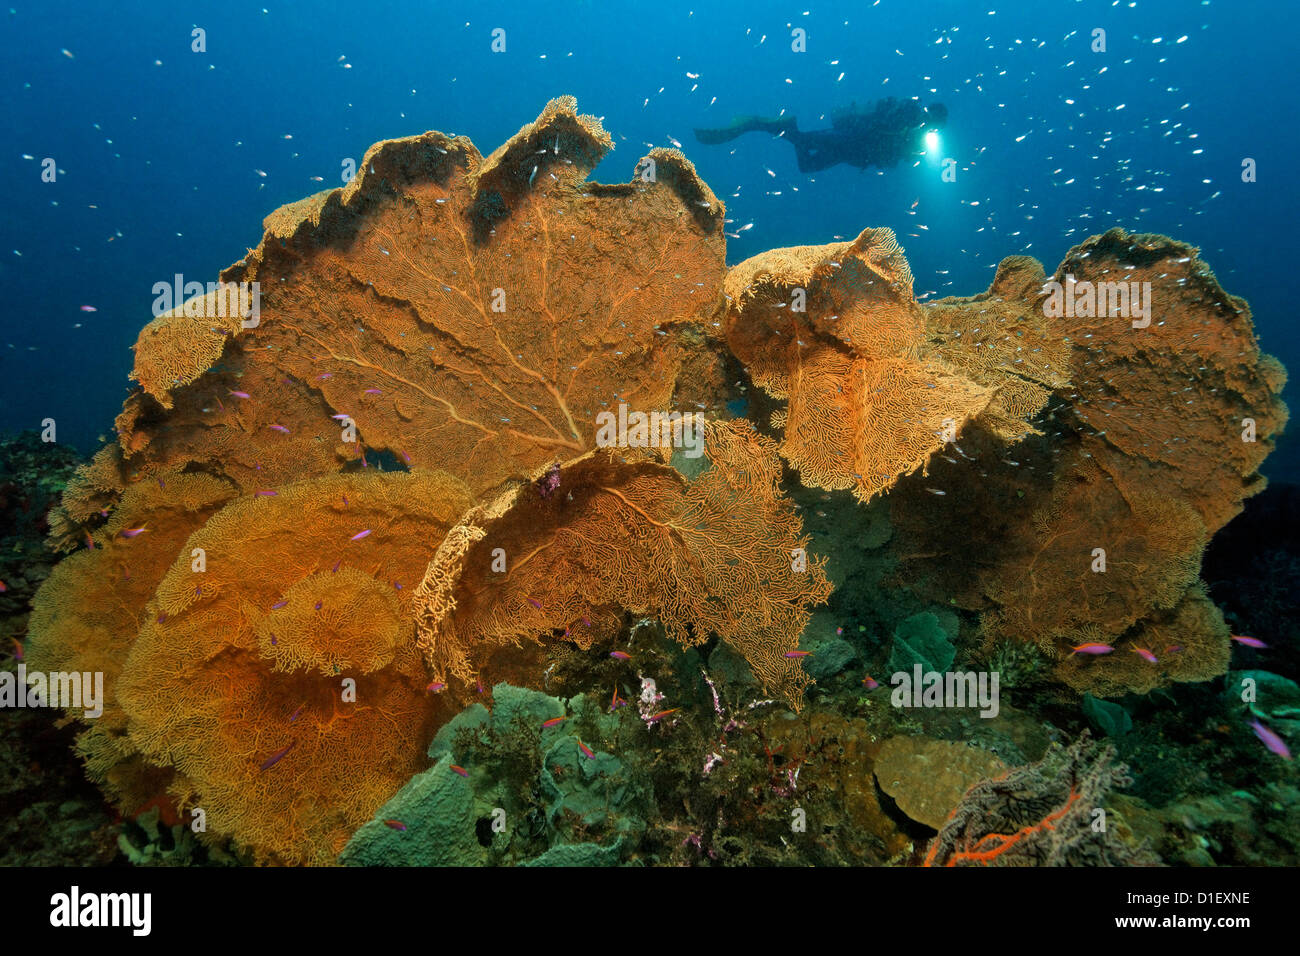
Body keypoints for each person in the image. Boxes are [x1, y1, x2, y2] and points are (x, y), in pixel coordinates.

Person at [694, 97, 948, 173]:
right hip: (851, 138)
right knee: (803, 141)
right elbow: (883, 129)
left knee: (807, 166)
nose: (931, 129)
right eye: (934, 125)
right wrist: (908, 131)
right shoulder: (910, 114)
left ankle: (786, 127)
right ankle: (758, 124)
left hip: (853, 154)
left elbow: (895, 155)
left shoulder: (918, 136)